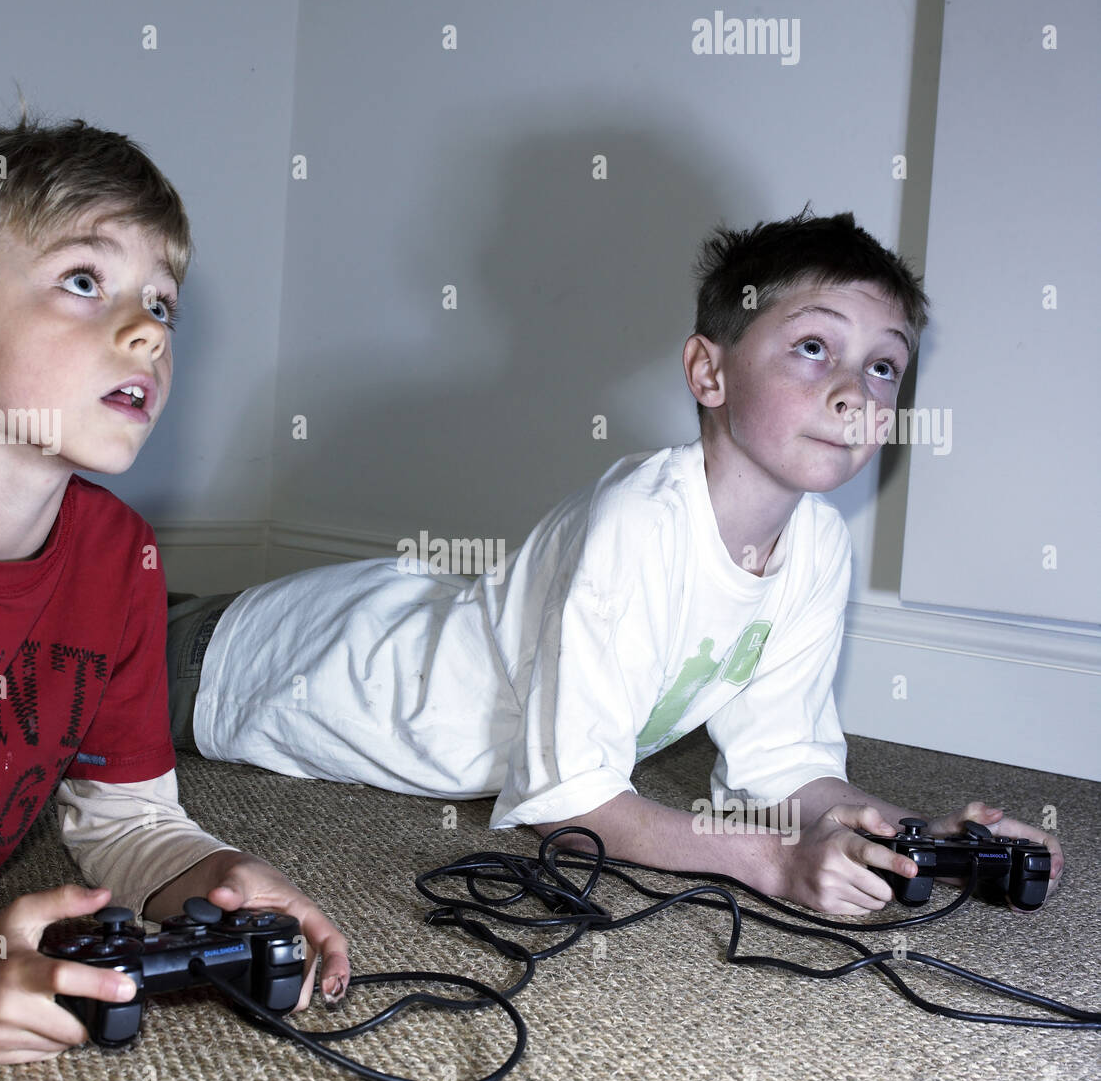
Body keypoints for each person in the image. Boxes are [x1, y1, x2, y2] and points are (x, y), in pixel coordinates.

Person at [167, 209, 1063, 916]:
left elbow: (781, 763)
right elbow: (568, 807)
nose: (852, 389)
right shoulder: (641, 521)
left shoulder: (818, 542)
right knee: (71, 649)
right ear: (707, 373)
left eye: (883, 368)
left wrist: (920, 836)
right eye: (813, 347)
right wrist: (772, 864)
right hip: (270, 666)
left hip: (391, 611)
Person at [0, 84, 349, 1064]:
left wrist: (218, 880)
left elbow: (127, 822)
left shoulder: (120, 554)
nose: (148, 330)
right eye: (86, 282)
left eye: (162, 302)